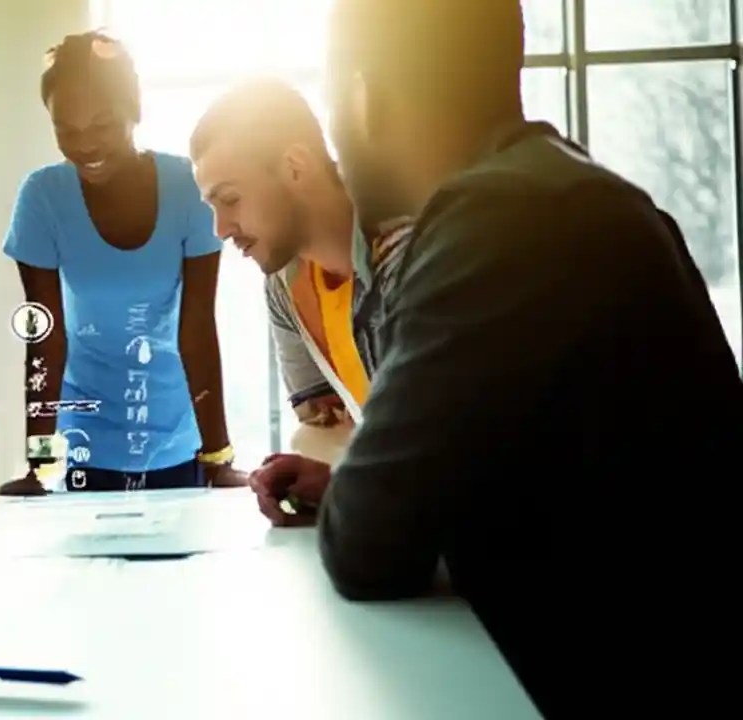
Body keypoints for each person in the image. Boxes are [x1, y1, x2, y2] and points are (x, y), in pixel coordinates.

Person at [251, 0, 742, 716]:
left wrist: (371, 496)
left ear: (363, 96)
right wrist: (358, 485)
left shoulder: (497, 221)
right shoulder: (562, 190)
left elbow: (367, 548)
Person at [0, 31, 243, 494]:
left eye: (102, 125)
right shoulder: (42, 197)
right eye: (66, 130)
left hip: (179, 435)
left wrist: (218, 458)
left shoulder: (187, 187)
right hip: (83, 442)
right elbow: (46, 341)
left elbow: (196, 328)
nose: (84, 145)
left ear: (135, 111)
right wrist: (40, 466)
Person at [189, 78, 413, 460]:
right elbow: (315, 440)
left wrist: (350, 456)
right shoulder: (284, 285)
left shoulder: (412, 252)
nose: (220, 229)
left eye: (230, 199)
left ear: (295, 167)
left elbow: (431, 443)